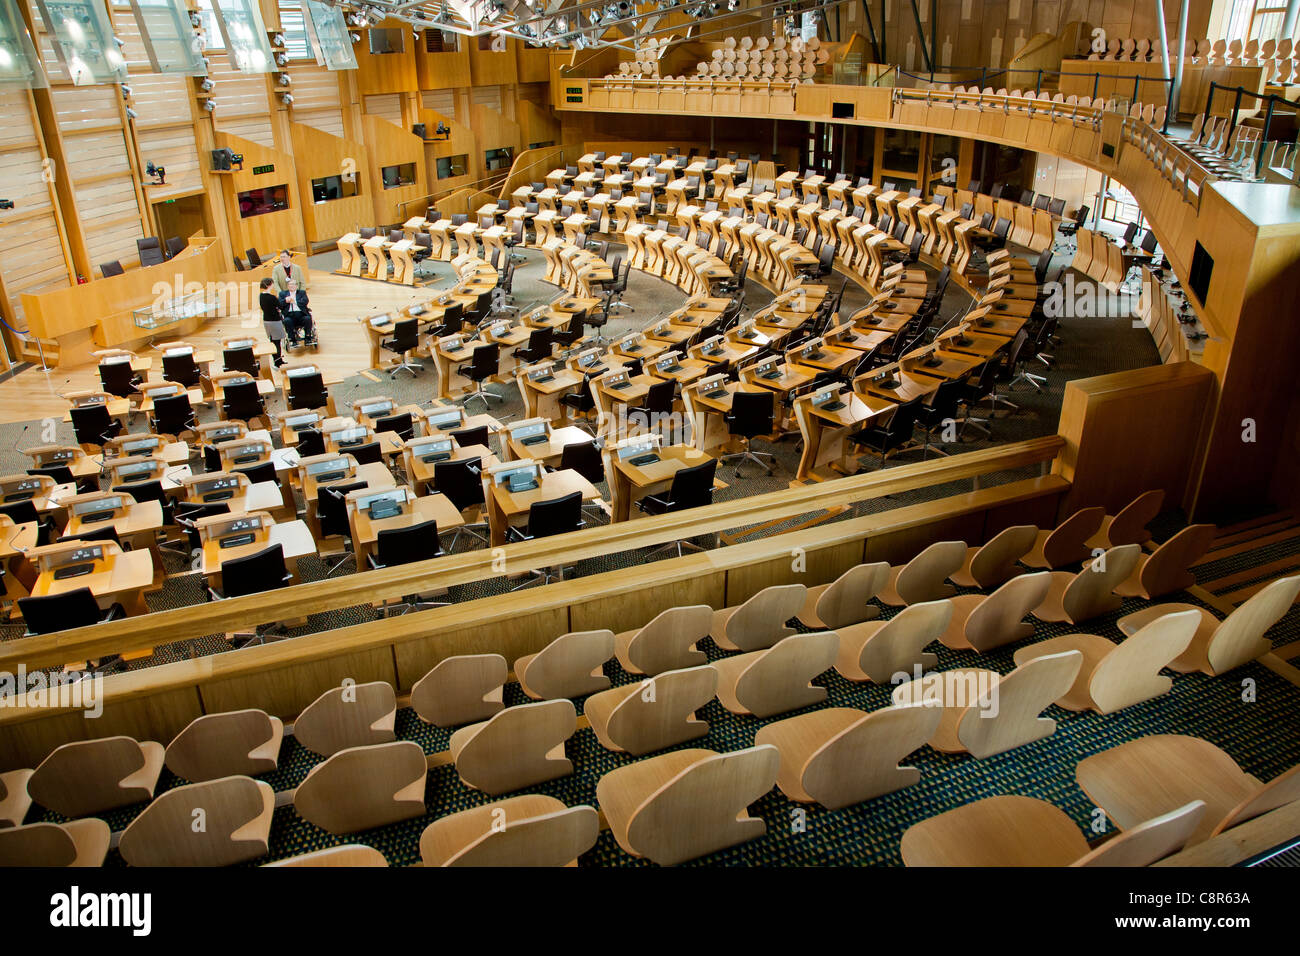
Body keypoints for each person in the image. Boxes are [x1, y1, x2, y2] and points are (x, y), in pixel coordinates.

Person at [279, 277, 315, 346]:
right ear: (287, 286)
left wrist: (294, 301)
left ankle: (308, 337)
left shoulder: (302, 293)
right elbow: (280, 304)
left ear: (296, 286)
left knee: (307, 318)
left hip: (301, 314)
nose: (292, 286)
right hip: (289, 315)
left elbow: (305, 301)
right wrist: (285, 301)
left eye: (293, 284)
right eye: (290, 284)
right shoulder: (282, 294)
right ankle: (292, 339)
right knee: (287, 321)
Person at [259, 277, 286, 366]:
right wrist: (285, 300)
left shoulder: (261, 296)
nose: (273, 285)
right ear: (269, 285)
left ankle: (277, 360)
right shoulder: (272, 297)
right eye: (272, 283)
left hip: (266, 321)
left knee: (273, 341)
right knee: (277, 342)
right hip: (274, 321)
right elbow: (280, 306)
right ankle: (278, 362)